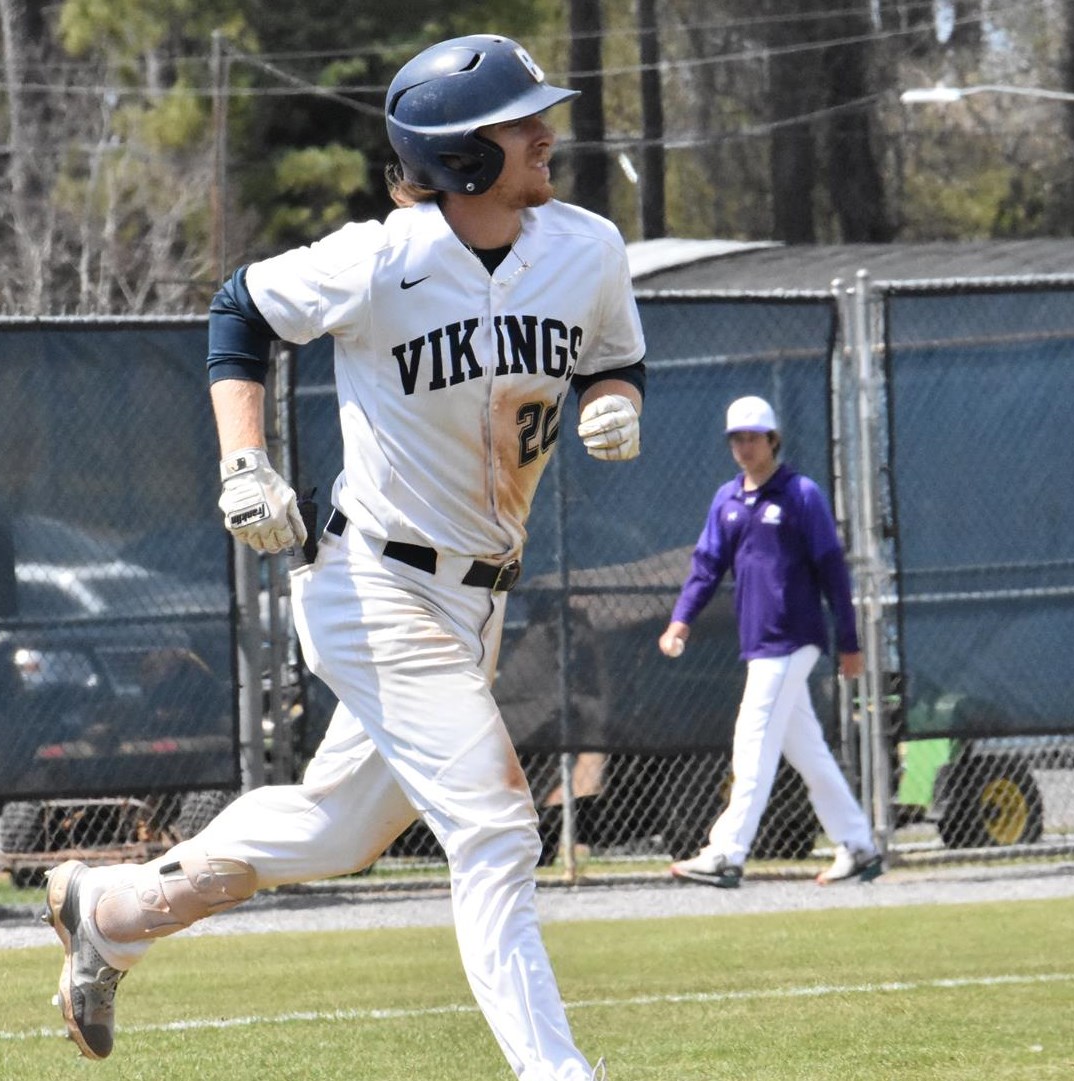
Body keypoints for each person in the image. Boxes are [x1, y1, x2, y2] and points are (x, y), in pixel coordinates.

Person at [41, 34, 643, 1081]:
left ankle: (116, 908)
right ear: (460, 158)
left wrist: (614, 405)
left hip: (477, 604)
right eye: (518, 121)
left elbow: (617, 360)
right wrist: (244, 461)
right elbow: (239, 309)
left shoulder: (585, 247)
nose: (546, 131)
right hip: (374, 581)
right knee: (499, 827)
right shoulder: (378, 259)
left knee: (335, 828)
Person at [658, 395, 882, 889]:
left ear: (772, 439)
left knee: (753, 742)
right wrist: (680, 621)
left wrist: (849, 640)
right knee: (809, 753)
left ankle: (726, 853)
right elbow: (706, 567)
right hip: (759, 642)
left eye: (753, 437)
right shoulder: (728, 500)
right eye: (736, 438)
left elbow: (832, 570)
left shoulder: (801, 494)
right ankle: (860, 846)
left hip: (793, 639)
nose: (744, 446)